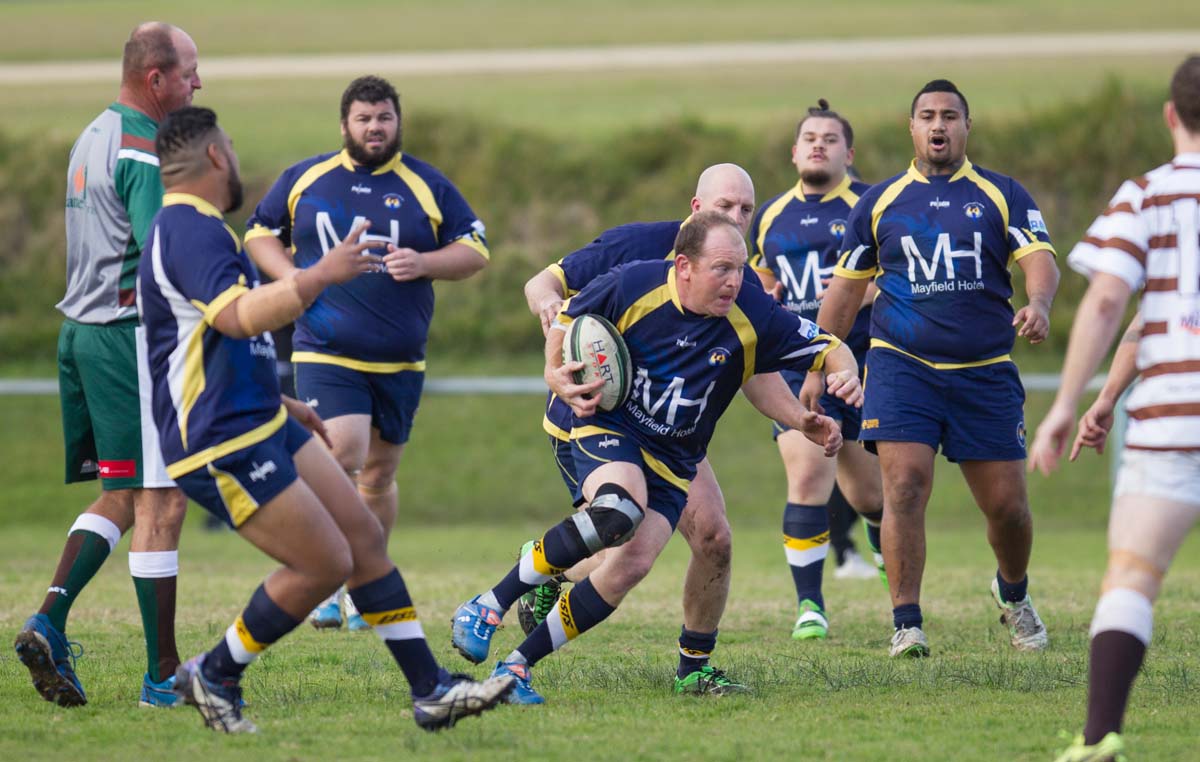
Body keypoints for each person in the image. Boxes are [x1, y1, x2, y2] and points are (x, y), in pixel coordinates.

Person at [139, 106, 511, 733]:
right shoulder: (187, 228)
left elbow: (210, 341)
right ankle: (216, 672)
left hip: (259, 417)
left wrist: (280, 399)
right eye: (231, 147)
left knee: (362, 537)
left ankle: (431, 690)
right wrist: (319, 276)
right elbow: (237, 318)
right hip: (220, 438)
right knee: (325, 564)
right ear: (215, 157)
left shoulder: (201, 228)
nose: (236, 158)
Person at [452, 211, 862, 704]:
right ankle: (487, 605)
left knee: (630, 565)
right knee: (618, 510)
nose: (734, 281)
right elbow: (566, 317)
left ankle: (516, 667)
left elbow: (828, 346)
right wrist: (553, 370)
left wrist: (842, 378)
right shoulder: (634, 284)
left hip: (676, 457)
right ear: (684, 266)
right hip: (613, 425)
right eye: (721, 269)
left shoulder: (752, 312)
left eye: (739, 269)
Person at [518, 163, 811, 693]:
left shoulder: (740, 279)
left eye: (746, 209)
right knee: (619, 544)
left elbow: (754, 370)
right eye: (725, 206)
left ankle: (693, 668)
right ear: (696, 208)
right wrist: (553, 315)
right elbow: (542, 283)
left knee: (715, 537)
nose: (737, 218)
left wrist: (798, 418)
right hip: (601, 418)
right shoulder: (639, 245)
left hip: (672, 432)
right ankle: (548, 577)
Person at [813, 79, 1059, 658]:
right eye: (927, 115)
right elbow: (843, 295)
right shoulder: (880, 202)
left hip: (984, 371)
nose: (938, 125)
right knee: (903, 487)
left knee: (1008, 509)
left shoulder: (1002, 193)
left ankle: (1013, 592)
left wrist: (1040, 304)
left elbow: (1040, 260)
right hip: (902, 368)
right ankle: (907, 622)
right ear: (912, 127)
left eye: (950, 115)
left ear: (967, 126)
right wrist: (816, 366)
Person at [245, 75, 489, 631]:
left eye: (383, 117)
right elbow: (258, 232)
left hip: (400, 360)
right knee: (342, 453)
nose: (374, 127)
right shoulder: (307, 178)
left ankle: (362, 582)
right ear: (344, 125)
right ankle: (323, 577)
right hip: (325, 349)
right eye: (363, 118)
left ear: (397, 122)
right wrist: (295, 279)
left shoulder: (426, 184)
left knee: (378, 474)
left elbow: (476, 249)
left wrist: (425, 263)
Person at [14, 22, 201, 709]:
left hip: (82, 335)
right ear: (156, 79)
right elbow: (161, 255)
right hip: (129, 340)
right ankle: (163, 678)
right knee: (164, 500)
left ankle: (49, 621)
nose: (198, 83)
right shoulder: (145, 149)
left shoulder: (92, 135)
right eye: (188, 72)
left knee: (123, 497)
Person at [1029, 55, 1200, 762]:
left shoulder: (1147, 196)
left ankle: (1100, 739)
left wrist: (1072, 403)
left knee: (1131, 577)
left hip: (1171, 419)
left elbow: (1111, 303)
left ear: (1170, 115)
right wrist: (1104, 398)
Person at [748, 99, 885, 640]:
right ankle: (810, 606)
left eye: (830, 139)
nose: (818, 146)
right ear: (794, 152)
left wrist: (857, 293)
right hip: (796, 365)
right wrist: (764, 296)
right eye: (810, 138)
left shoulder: (871, 205)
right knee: (807, 477)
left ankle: (889, 560)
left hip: (864, 362)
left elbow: (900, 277)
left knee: (872, 497)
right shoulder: (770, 216)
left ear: (848, 153)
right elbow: (760, 282)